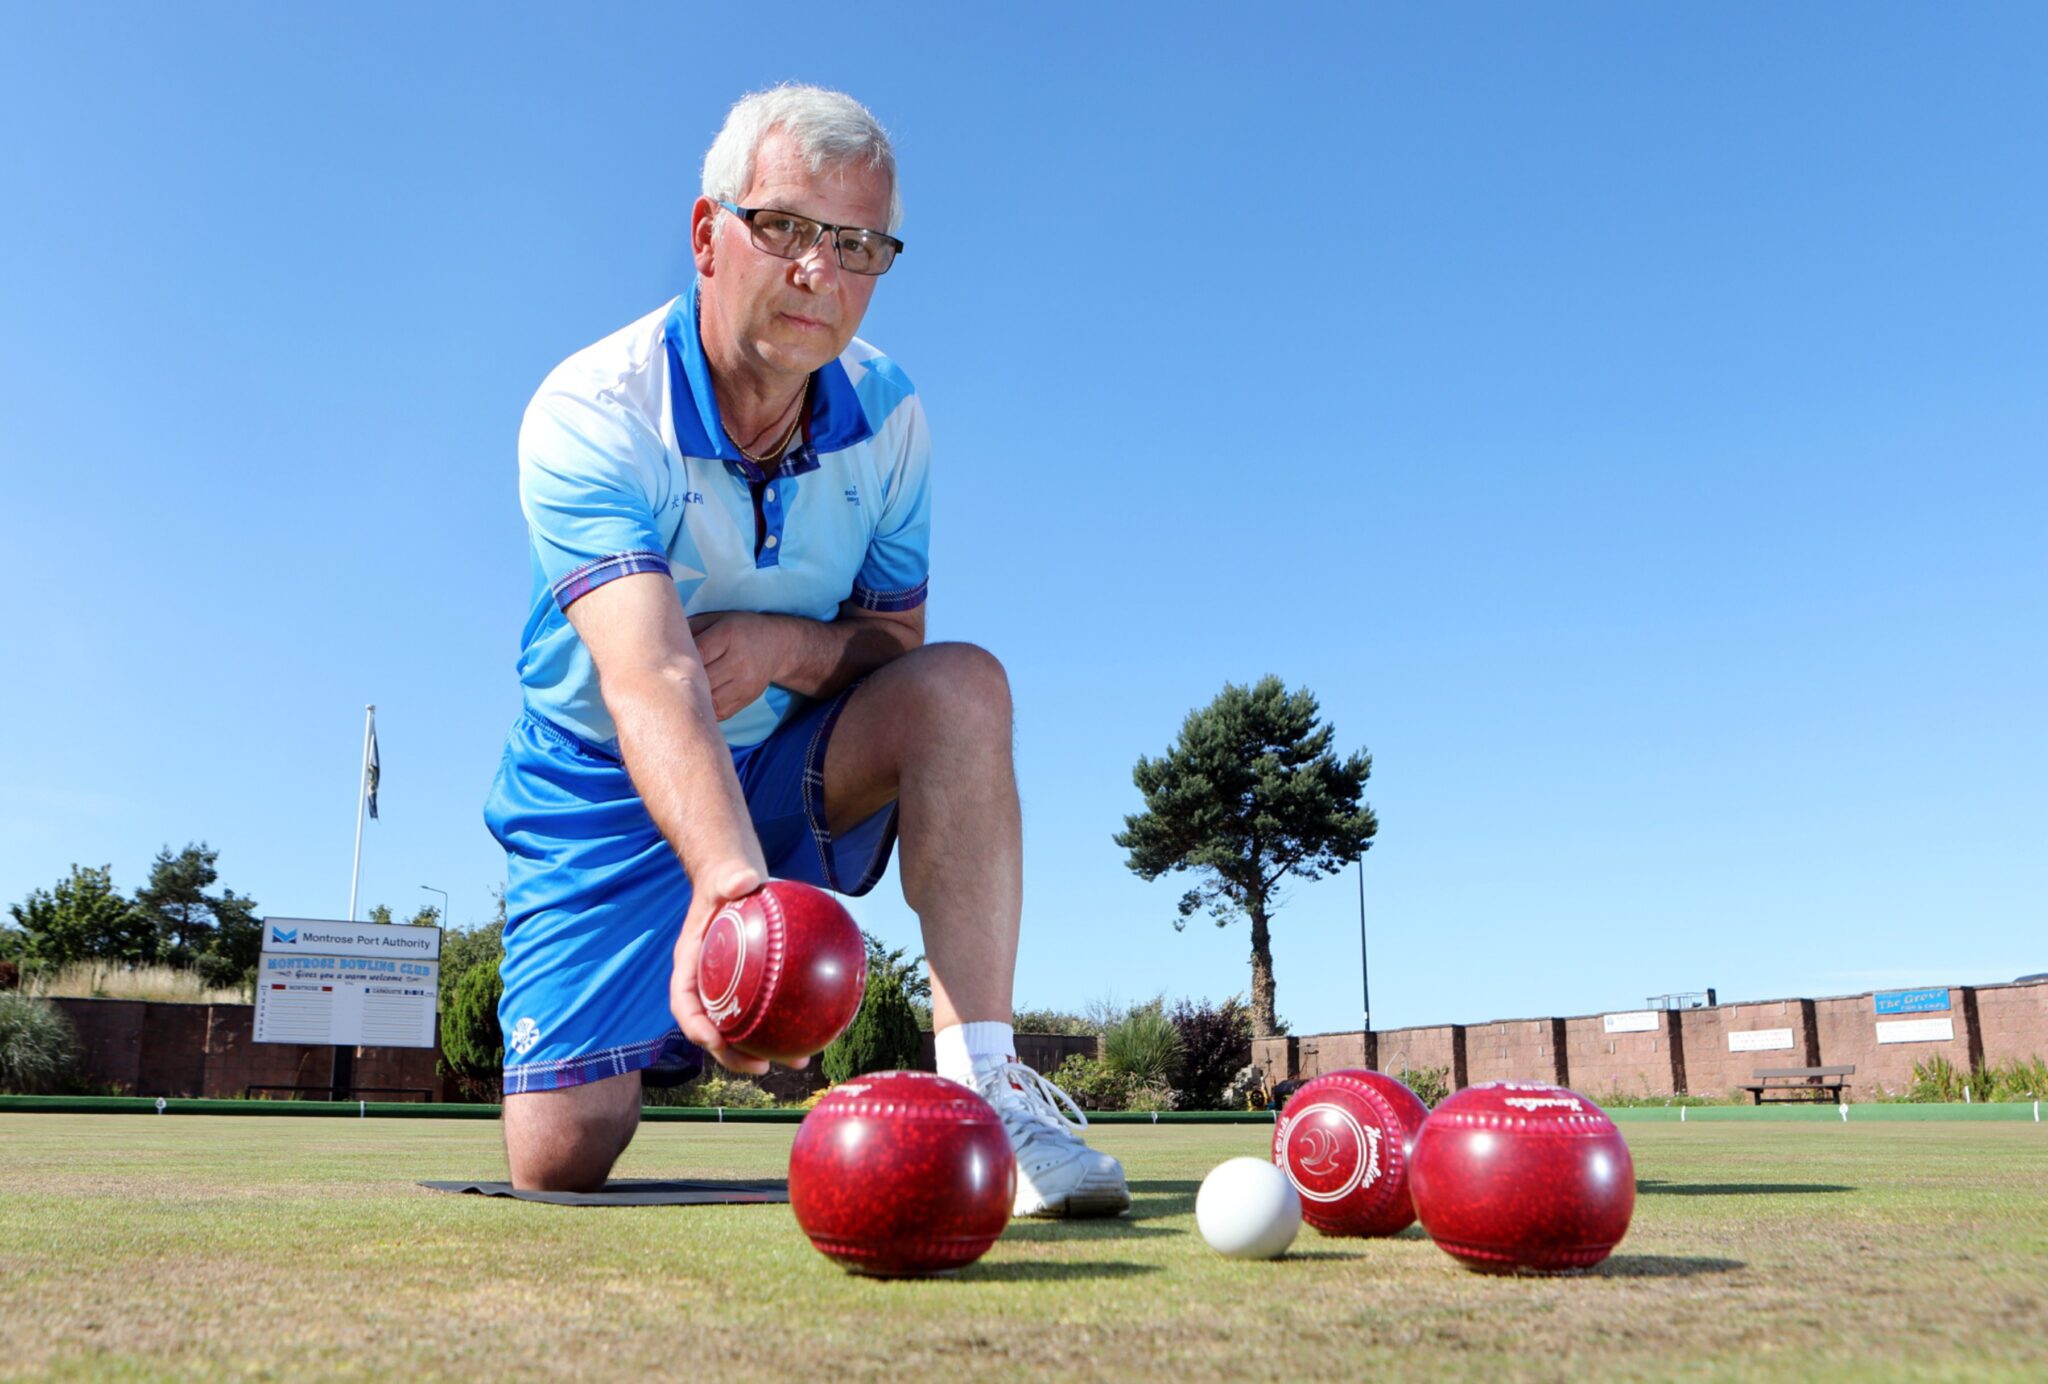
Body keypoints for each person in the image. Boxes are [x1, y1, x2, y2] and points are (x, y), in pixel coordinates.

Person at [485, 84, 1128, 1217]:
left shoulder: (890, 417)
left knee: (962, 690)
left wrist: (783, 644)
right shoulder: (592, 409)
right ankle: (671, 1008)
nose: (818, 273)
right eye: (782, 227)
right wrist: (731, 888)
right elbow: (652, 674)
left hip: (784, 757)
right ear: (706, 234)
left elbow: (894, 648)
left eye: (857, 244)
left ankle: (985, 1096)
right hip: (601, 784)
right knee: (559, 1152)